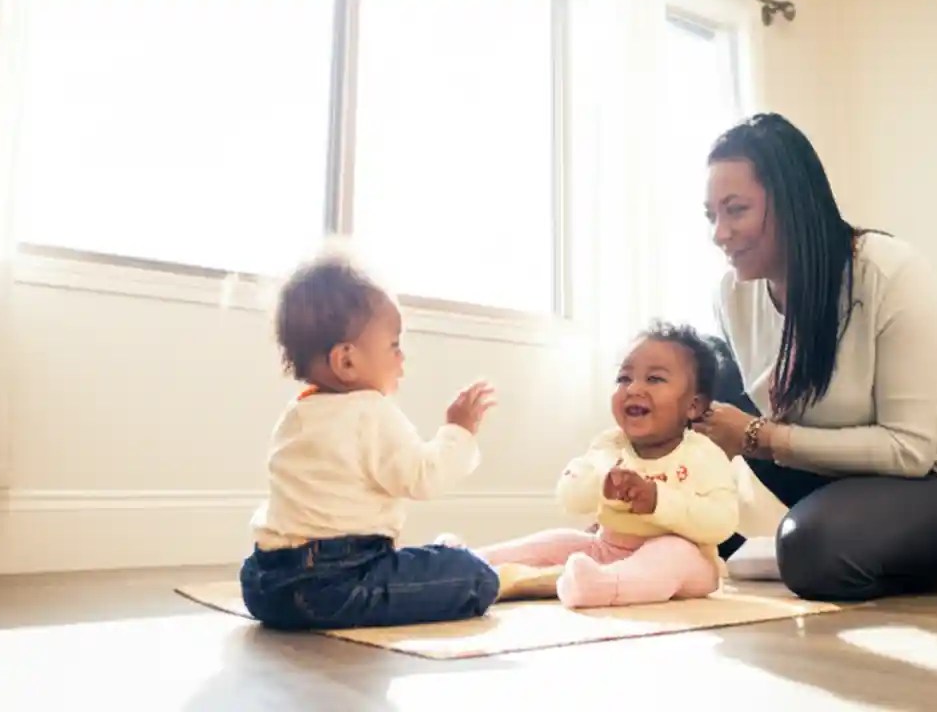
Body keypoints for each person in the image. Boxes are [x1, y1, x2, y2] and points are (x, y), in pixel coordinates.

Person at [692, 113, 937, 602]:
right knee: (693, 378)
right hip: (843, 480)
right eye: (710, 215)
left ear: (792, 202)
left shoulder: (889, 272)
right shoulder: (731, 296)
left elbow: (910, 451)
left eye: (736, 210)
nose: (720, 233)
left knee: (811, 548)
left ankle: (933, 556)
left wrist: (759, 437)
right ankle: (842, 547)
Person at [239, 250, 500, 630]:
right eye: (394, 345)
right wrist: (458, 429)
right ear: (346, 361)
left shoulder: (297, 414)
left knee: (426, 565)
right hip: (338, 583)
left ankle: (437, 558)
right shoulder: (370, 412)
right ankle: (445, 558)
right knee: (478, 578)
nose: (402, 358)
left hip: (265, 585)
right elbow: (424, 476)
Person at [443, 321, 739, 609]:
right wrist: (598, 483)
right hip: (608, 549)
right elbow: (570, 497)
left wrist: (658, 500)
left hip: (690, 563)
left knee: (672, 552)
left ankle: (604, 586)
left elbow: (722, 522)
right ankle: (465, 561)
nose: (633, 388)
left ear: (694, 406)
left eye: (654, 379)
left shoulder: (702, 454)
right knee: (557, 542)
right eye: (624, 378)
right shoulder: (609, 445)